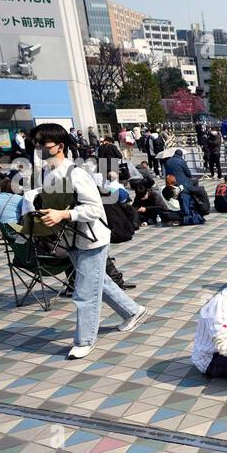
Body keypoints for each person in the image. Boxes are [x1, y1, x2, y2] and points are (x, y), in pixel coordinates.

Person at [31, 123, 149, 359]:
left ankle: (84, 340)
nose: (38, 149)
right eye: (35, 145)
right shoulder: (46, 172)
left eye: (43, 145)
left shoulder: (76, 173)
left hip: (92, 239)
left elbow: (94, 209)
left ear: (60, 146)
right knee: (98, 281)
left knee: (84, 291)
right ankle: (133, 311)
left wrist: (65, 214)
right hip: (69, 238)